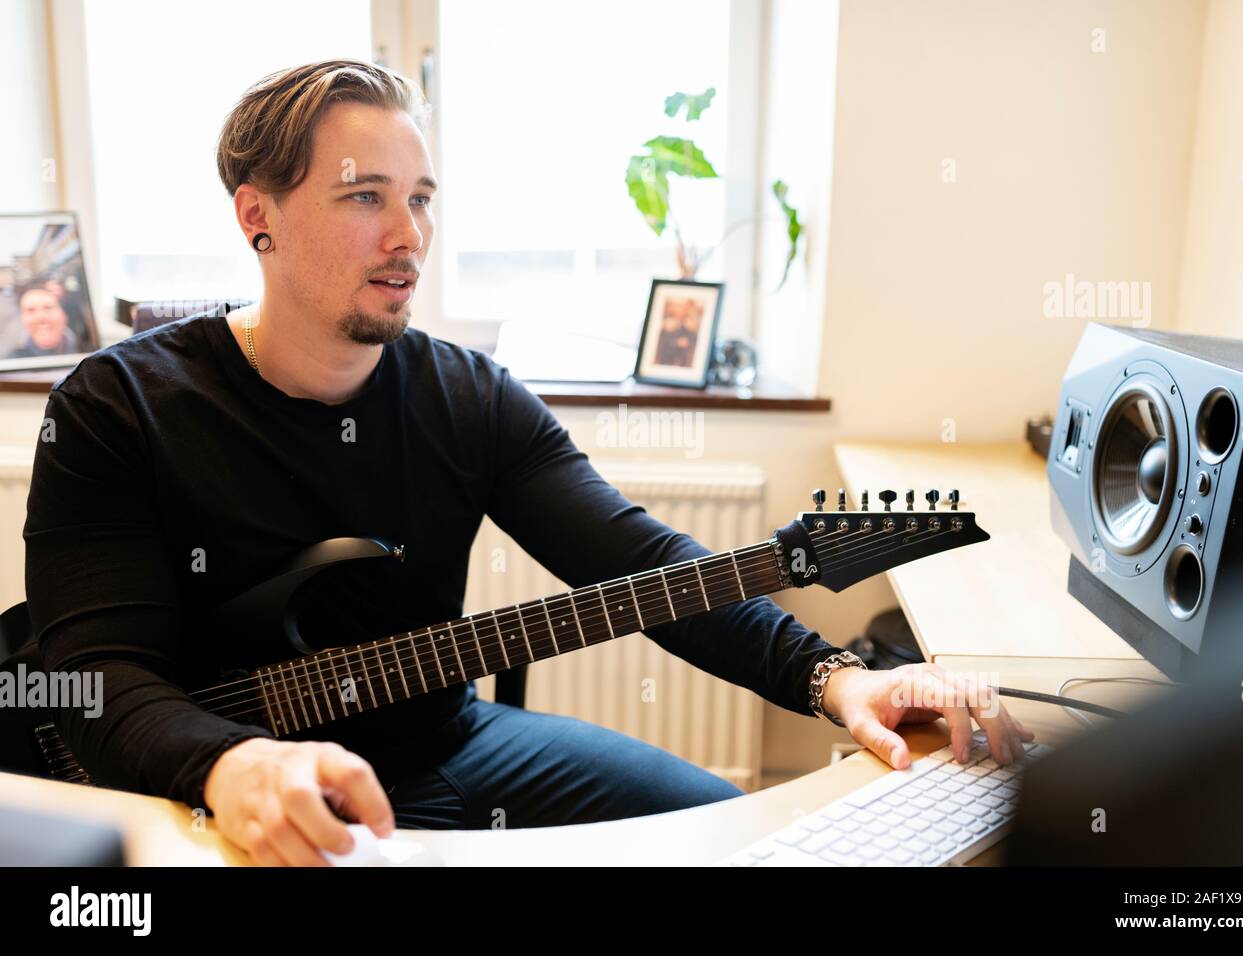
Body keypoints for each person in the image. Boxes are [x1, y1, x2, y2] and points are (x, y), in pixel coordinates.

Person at [24, 59, 1032, 867]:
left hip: (446, 739)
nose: (408, 234)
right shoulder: (121, 407)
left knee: (746, 833)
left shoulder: (467, 395)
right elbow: (92, 678)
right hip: (208, 778)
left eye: (419, 196)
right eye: (364, 196)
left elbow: (644, 564)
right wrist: (230, 759)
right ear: (258, 217)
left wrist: (832, 675)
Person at [6, 285, 79, 358]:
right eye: (31, 310)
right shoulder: (13, 361)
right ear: (23, 319)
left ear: (64, 315)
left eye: (47, 308)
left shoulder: (84, 350)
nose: (41, 317)